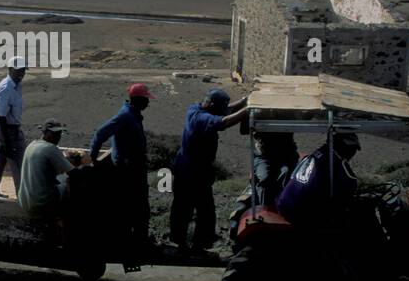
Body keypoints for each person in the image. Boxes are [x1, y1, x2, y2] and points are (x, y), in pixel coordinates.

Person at [169, 90, 248, 251]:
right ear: (212, 106)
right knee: (202, 211)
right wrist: (247, 110)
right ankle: (193, 246)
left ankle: (180, 243)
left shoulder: (195, 108)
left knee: (184, 208)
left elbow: (222, 112)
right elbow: (223, 122)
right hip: (193, 172)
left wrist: (242, 102)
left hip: (188, 169)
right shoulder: (201, 119)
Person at [89, 83, 155, 247]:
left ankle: (136, 239)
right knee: (136, 205)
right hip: (128, 169)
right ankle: (135, 241)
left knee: (135, 205)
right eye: (146, 99)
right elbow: (101, 133)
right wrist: (93, 156)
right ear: (137, 100)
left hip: (134, 166)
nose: (148, 103)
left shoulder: (133, 114)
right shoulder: (125, 115)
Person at [275, 132, 361, 224]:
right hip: (299, 212)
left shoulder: (316, 154)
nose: (353, 153)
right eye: (351, 149)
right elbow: (350, 185)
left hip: (284, 204)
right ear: (340, 146)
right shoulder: (335, 161)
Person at [0, 56, 27, 197]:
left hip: (9, 128)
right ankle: (22, 195)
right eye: (18, 70)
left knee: (0, 158)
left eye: (23, 70)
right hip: (8, 129)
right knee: (18, 161)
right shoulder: (6, 88)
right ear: (9, 69)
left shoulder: (16, 84)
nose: (21, 73)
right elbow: (1, 116)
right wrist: (8, 141)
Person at [17, 120, 76, 218]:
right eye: (55, 134)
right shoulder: (50, 148)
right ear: (46, 133)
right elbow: (74, 173)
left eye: (59, 134)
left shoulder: (32, 145)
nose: (58, 137)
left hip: (23, 201)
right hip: (41, 204)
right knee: (66, 181)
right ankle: (64, 217)